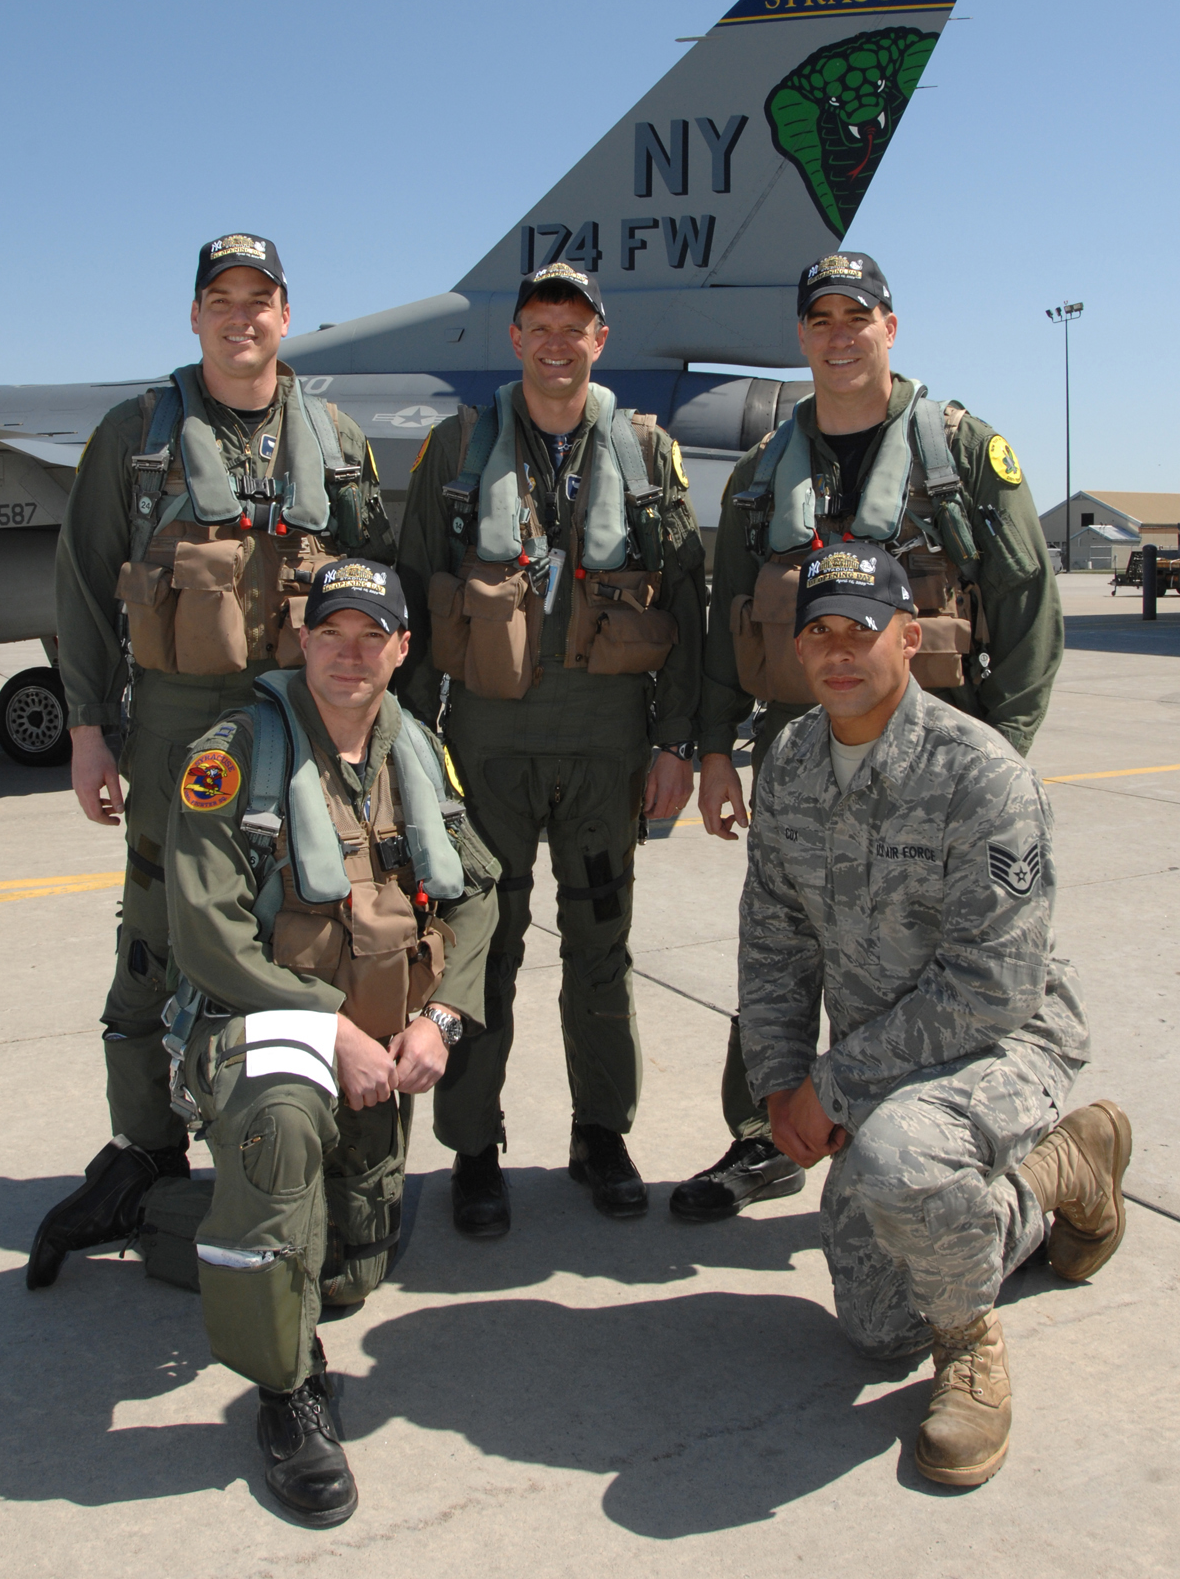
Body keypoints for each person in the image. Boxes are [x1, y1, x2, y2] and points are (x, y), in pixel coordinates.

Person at [27, 235, 396, 1288]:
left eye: (260, 300)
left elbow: (370, 590)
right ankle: (145, 1151)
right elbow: (84, 580)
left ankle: (293, 1143)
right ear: (195, 317)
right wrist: (90, 725)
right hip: (176, 734)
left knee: (309, 935)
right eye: (220, 301)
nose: (242, 319)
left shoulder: (332, 440)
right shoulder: (137, 437)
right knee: (154, 942)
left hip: (301, 733)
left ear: (287, 314)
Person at [672, 250, 1065, 1224]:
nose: (840, 335)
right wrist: (717, 749)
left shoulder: (963, 454)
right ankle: (765, 1136)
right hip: (801, 761)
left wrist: (1001, 754)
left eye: (859, 317)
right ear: (802, 336)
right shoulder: (764, 477)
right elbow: (730, 615)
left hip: (937, 772)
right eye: (822, 320)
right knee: (781, 941)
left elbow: (1028, 610)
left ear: (892, 327)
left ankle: (984, 1141)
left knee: (948, 958)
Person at [738, 541, 1127, 1487]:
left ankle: (972, 1353)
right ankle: (1056, 1173)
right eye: (819, 633)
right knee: (875, 1331)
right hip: (886, 1057)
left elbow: (993, 987)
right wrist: (782, 1085)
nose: (839, 652)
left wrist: (835, 1084)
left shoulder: (978, 775)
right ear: (798, 653)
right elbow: (775, 942)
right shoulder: (790, 764)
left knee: (900, 1159)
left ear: (909, 639)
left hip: (1004, 1038)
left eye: (861, 631)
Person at [165, 559, 498, 1525]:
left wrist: (443, 1016)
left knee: (348, 1276)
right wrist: (328, 1025)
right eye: (330, 634)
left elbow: (479, 893)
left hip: (382, 1035)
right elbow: (205, 932)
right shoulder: (237, 749)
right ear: (299, 642)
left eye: (371, 637)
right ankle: (287, 1399)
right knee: (279, 1134)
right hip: (259, 1018)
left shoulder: (417, 749)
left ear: (401, 649)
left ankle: (199, 1233)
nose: (349, 655)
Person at [397, 262, 705, 1234]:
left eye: (575, 327)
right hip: (485, 748)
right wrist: (400, 762)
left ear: (598, 341)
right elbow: (411, 595)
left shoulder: (649, 453)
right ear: (518, 338)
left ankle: (599, 1134)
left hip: (608, 747)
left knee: (601, 950)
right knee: (478, 953)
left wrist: (678, 745)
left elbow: (687, 607)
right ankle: (473, 1149)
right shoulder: (455, 449)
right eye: (540, 325)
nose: (557, 343)